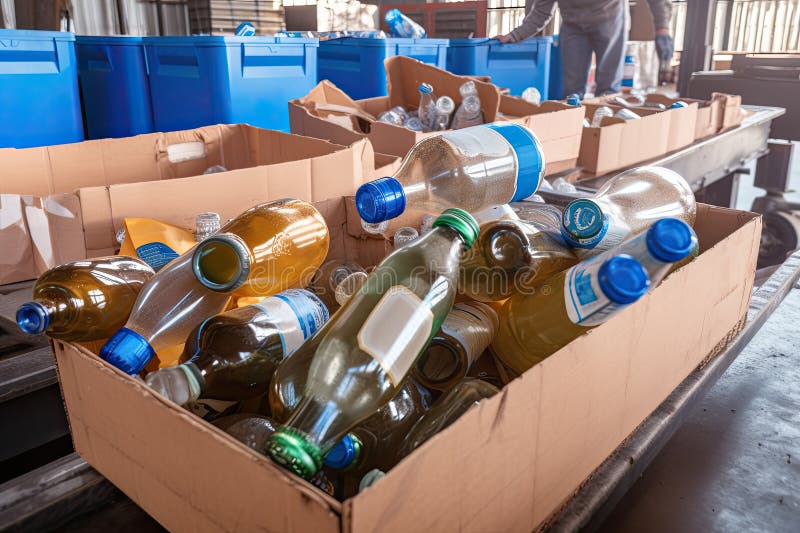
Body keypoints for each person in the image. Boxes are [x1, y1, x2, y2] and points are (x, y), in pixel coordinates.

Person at [495, 0, 673, 98]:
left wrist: (662, 27)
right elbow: (541, 13)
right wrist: (514, 36)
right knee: (572, 90)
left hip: (610, 19)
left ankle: (606, 135)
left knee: (608, 88)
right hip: (573, 25)